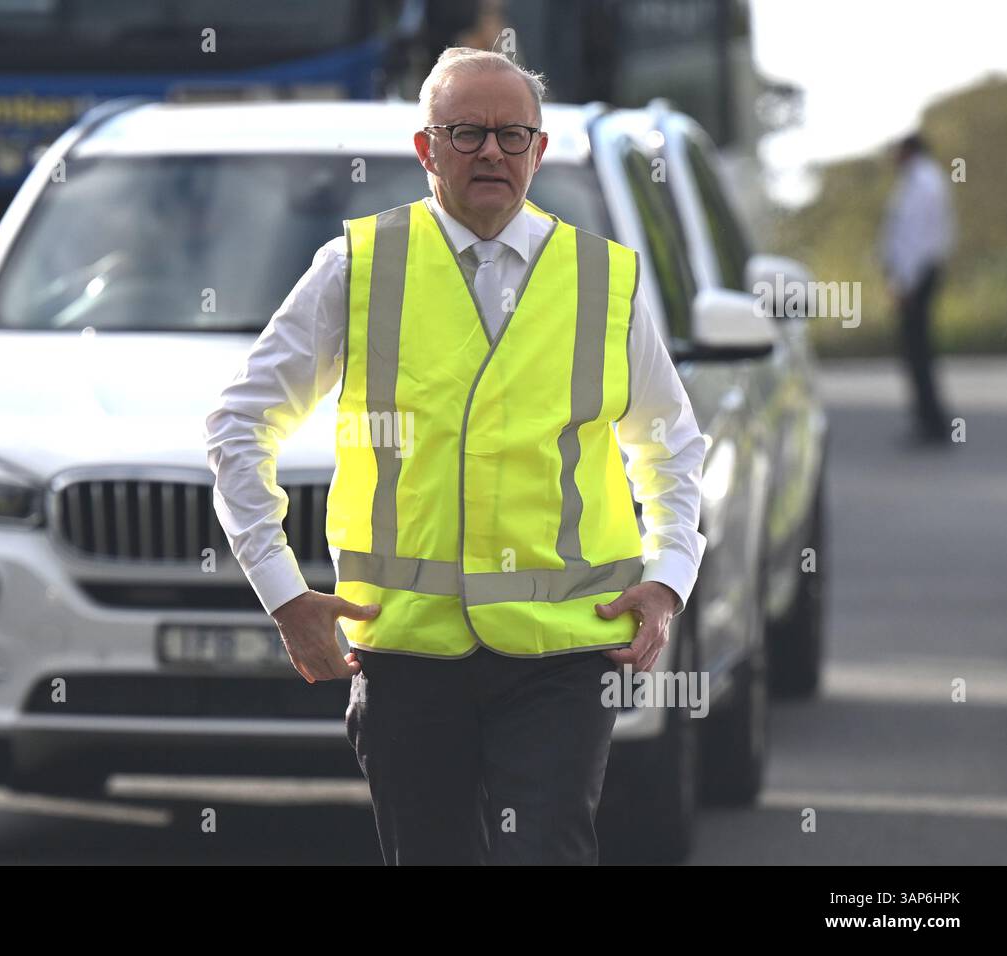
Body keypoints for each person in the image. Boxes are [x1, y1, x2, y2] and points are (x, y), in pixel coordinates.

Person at [204, 47, 707, 865]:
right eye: (467, 133)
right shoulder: (356, 268)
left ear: (540, 151)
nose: (492, 153)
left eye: (513, 136)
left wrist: (671, 573)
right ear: (425, 148)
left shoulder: (602, 280)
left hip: (564, 651)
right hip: (406, 650)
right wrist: (284, 594)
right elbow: (238, 424)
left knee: (547, 849)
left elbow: (670, 444)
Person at [877, 132, 955, 446]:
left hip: (917, 275)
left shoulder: (922, 184)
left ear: (909, 151)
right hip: (920, 273)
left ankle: (932, 422)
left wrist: (904, 282)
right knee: (917, 350)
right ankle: (928, 418)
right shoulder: (924, 180)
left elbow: (914, 239)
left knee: (918, 350)